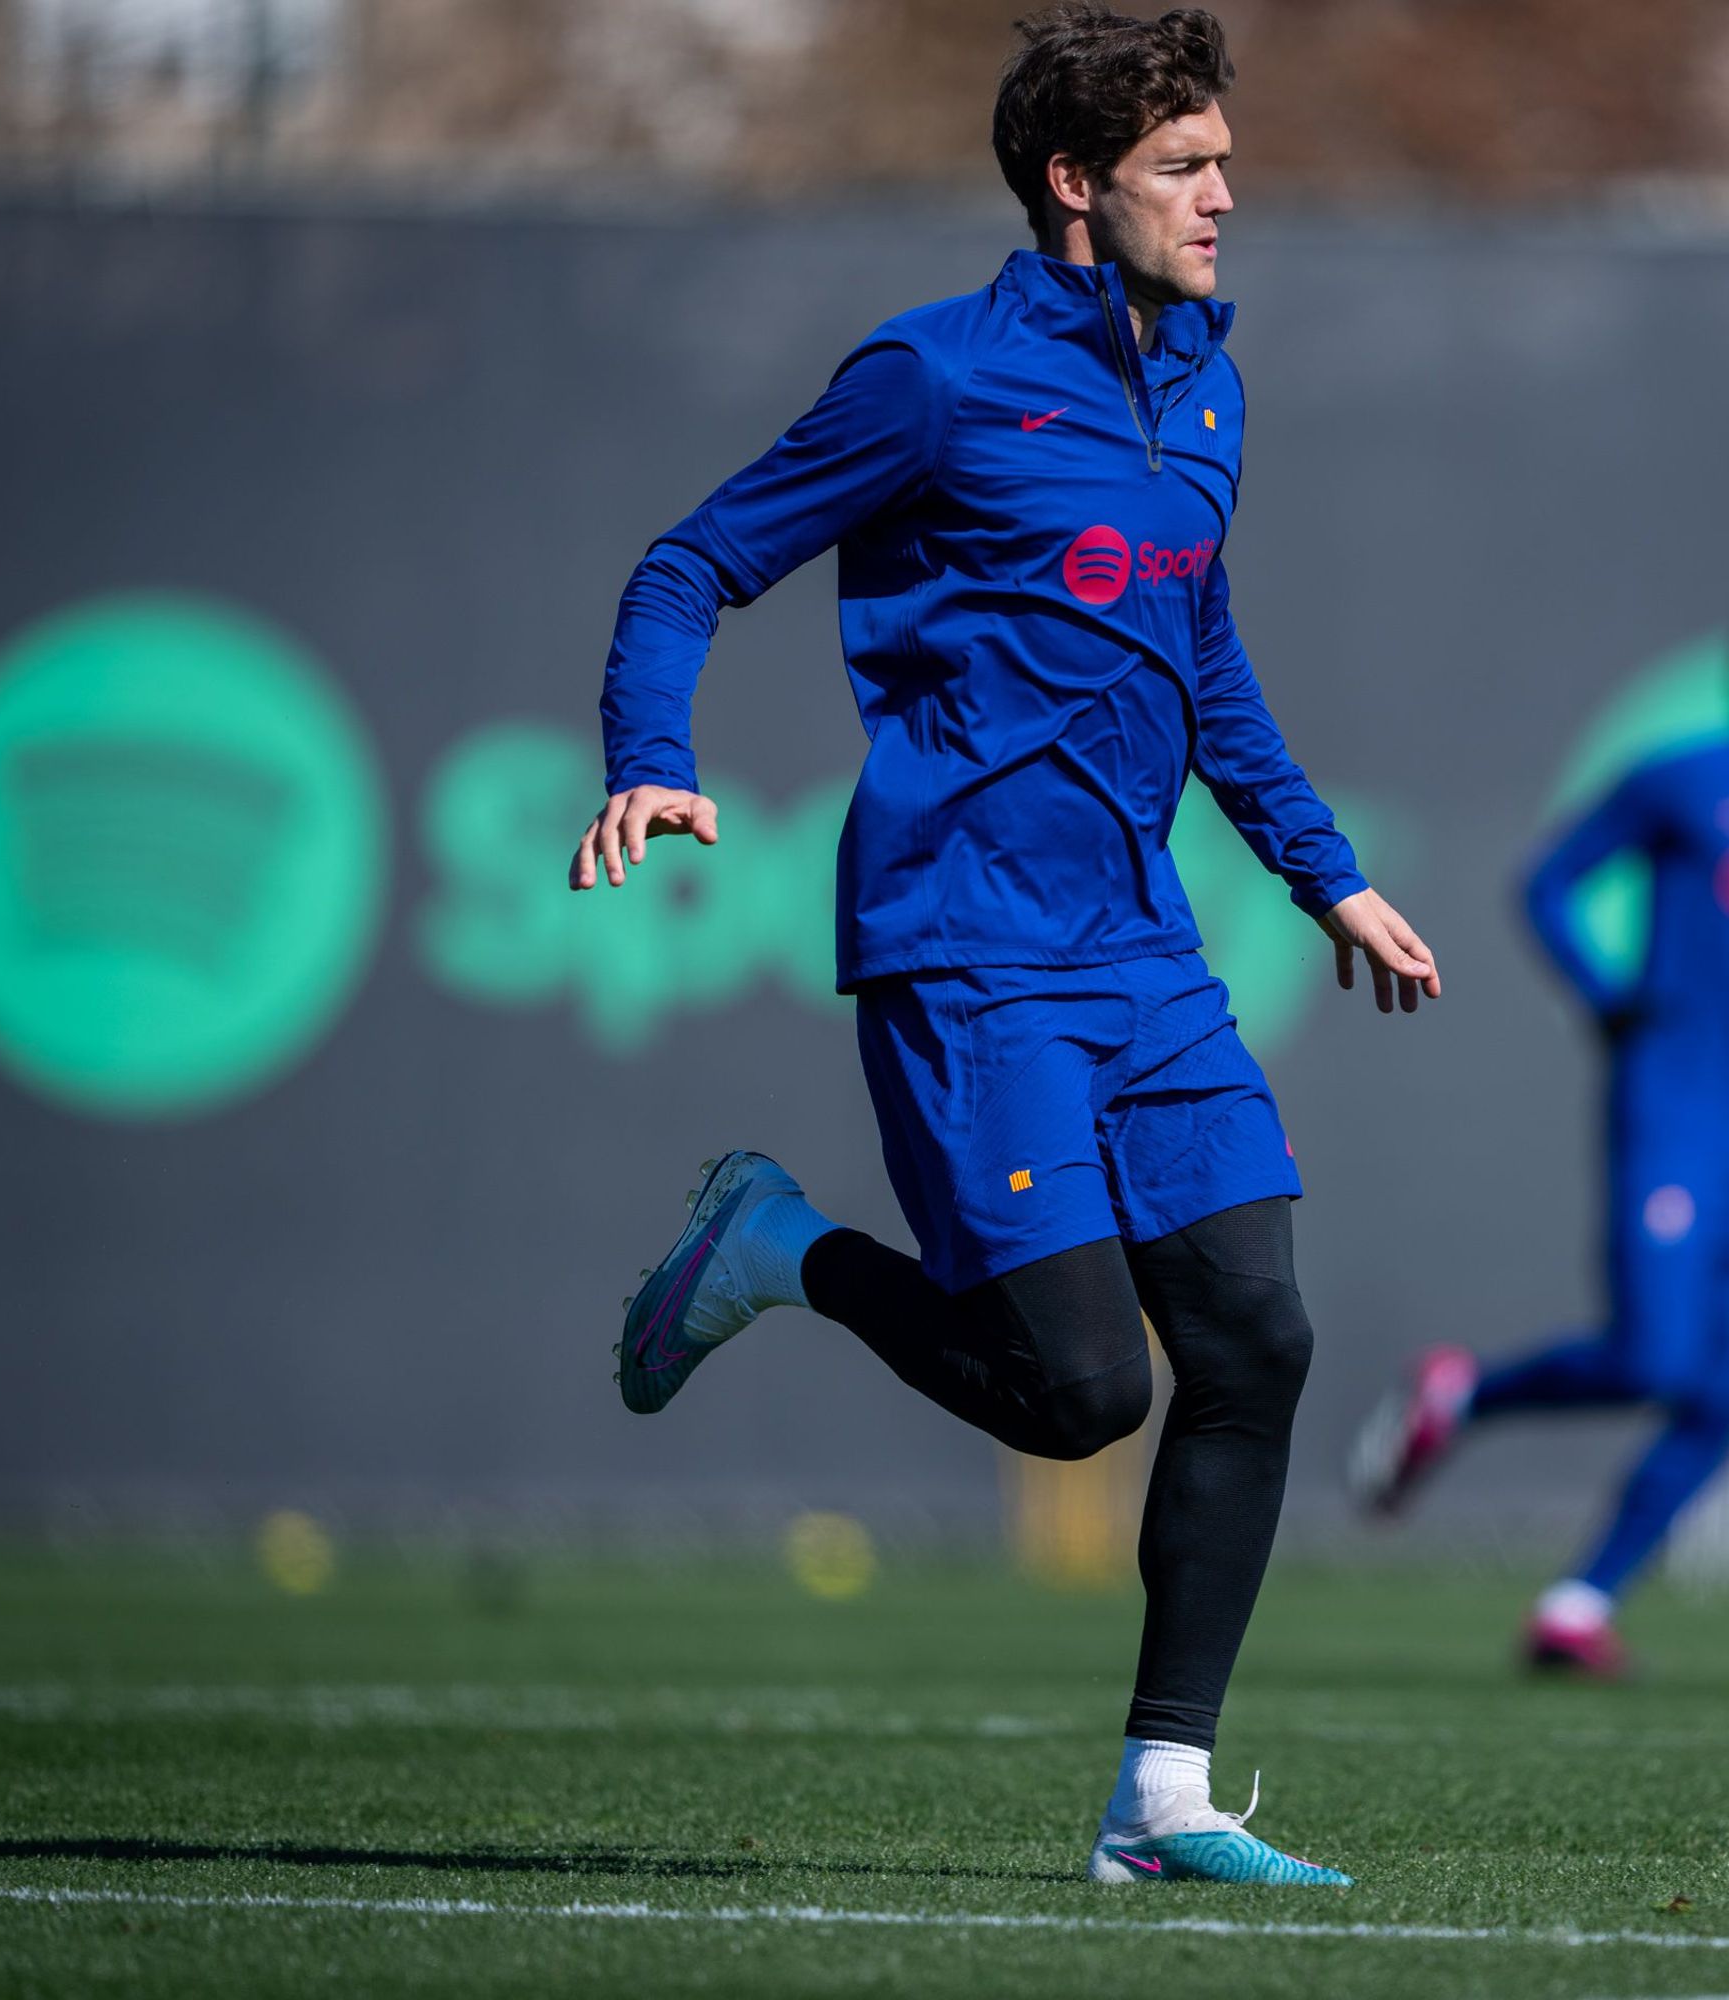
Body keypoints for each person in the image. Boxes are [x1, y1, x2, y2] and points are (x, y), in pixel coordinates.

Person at [572, 3, 1436, 1886]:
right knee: (1079, 1397)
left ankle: (1161, 1802)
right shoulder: (932, 379)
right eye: (1183, 167)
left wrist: (1322, 870)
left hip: (1142, 954)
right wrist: (654, 759)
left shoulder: (1201, 376)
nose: (1225, 196)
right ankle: (777, 1246)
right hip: (967, 943)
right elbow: (689, 565)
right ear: (1075, 182)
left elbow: (1203, 657)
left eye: (1225, 159)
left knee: (1256, 1340)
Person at [1349, 582, 1729, 1676]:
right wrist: (1606, 995)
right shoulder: (1686, 781)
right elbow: (1548, 884)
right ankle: (1461, 1392)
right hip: (1673, 1112)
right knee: (1654, 1354)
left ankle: (1578, 1603)